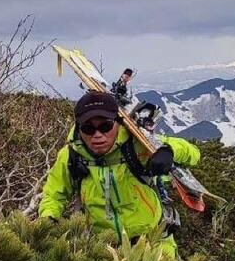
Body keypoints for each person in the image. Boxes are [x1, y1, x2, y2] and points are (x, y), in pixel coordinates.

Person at [39, 89, 200, 250]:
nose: (97, 135)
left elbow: (193, 153)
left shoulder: (138, 144)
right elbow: (54, 194)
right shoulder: (71, 155)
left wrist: (169, 151)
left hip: (153, 243)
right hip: (102, 249)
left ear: (118, 122)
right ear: (79, 128)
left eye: (105, 126)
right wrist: (48, 219)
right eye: (88, 129)